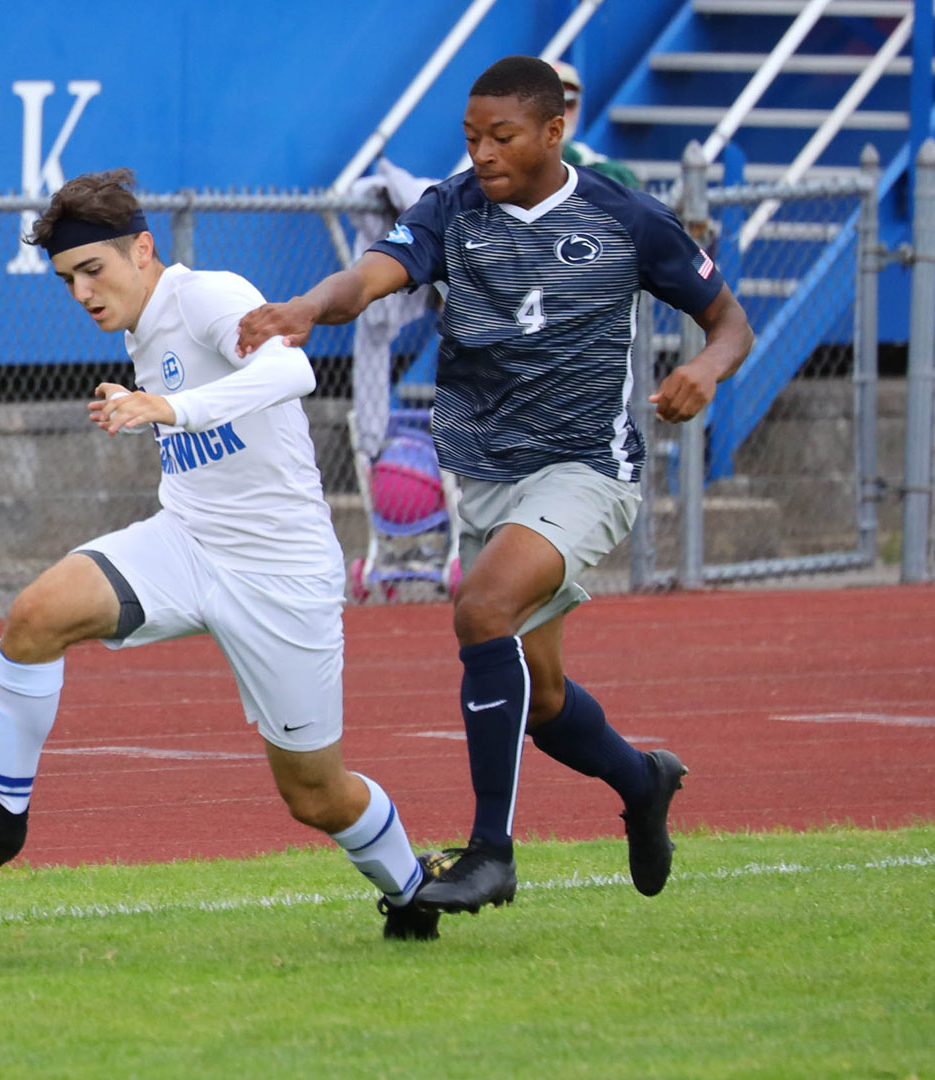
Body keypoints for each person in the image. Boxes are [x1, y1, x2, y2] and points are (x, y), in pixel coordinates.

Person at [237, 56, 754, 915]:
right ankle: (642, 782)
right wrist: (306, 306)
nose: (481, 152)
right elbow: (371, 275)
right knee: (542, 697)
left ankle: (490, 854)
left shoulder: (625, 216)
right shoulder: (451, 208)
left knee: (479, 609)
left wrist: (705, 366)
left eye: (501, 136)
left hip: (590, 467)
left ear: (554, 132)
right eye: (471, 136)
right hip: (487, 475)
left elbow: (729, 319)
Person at [0, 168, 441, 940]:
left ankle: (413, 890)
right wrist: (147, 401)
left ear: (143, 249)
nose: (80, 291)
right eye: (66, 279)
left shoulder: (206, 295)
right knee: (35, 617)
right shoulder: (138, 326)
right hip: (185, 540)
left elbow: (293, 369)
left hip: (279, 571)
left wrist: (165, 406)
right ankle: (2, 816)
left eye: (93, 270)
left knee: (316, 796)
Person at [551, 59, 641, 190]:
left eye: (569, 101)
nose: (561, 111)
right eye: (550, 102)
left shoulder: (604, 171)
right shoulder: (513, 172)